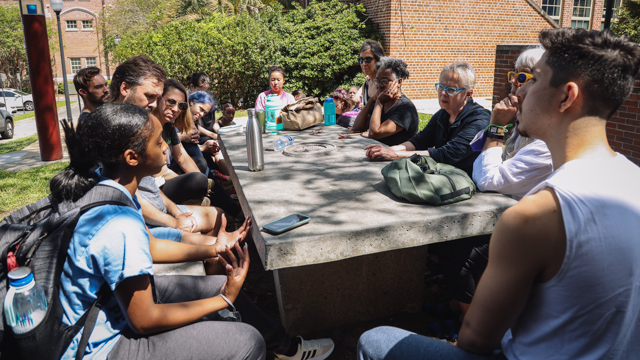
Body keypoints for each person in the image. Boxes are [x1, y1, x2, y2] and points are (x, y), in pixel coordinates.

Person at [358, 28, 640, 360]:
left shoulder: (534, 216)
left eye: (532, 79)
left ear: (566, 96)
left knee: (375, 338)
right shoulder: (632, 180)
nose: (518, 91)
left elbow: (476, 341)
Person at [55, 103, 334, 360]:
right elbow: (144, 320)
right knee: (249, 341)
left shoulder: (108, 191)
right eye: (157, 141)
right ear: (131, 157)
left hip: (107, 309)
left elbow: (150, 245)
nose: (166, 146)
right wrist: (223, 299)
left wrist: (216, 247)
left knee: (216, 287)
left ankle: (282, 346)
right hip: (100, 347)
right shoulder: (118, 221)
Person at [364, 61, 490, 177]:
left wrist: (394, 154)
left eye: (451, 89)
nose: (443, 93)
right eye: (441, 87)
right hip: (445, 178)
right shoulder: (443, 114)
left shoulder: (479, 121)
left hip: (470, 185)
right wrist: (388, 149)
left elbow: (445, 155)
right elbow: (419, 141)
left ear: (468, 94)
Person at [473, 47, 552, 200]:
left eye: (522, 77)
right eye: (513, 74)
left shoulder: (545, 147)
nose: (513, 82)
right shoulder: (525, 128)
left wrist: (496, 128)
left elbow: (487, 180)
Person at [352, 56, 419, 146]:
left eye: (385, 81)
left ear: (398, 82)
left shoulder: (405, 108)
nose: (379, 85)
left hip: (397, 158)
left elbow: (374, 134)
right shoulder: (382, 100)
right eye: (377, 81)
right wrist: (371, 100)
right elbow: (357, 128)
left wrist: (379, 102)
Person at [355, 40, 385, 107]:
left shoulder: (384, 85)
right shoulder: (366, 85)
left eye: (368, 59)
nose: (364, 64)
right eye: (361, 60)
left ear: (378, 60)